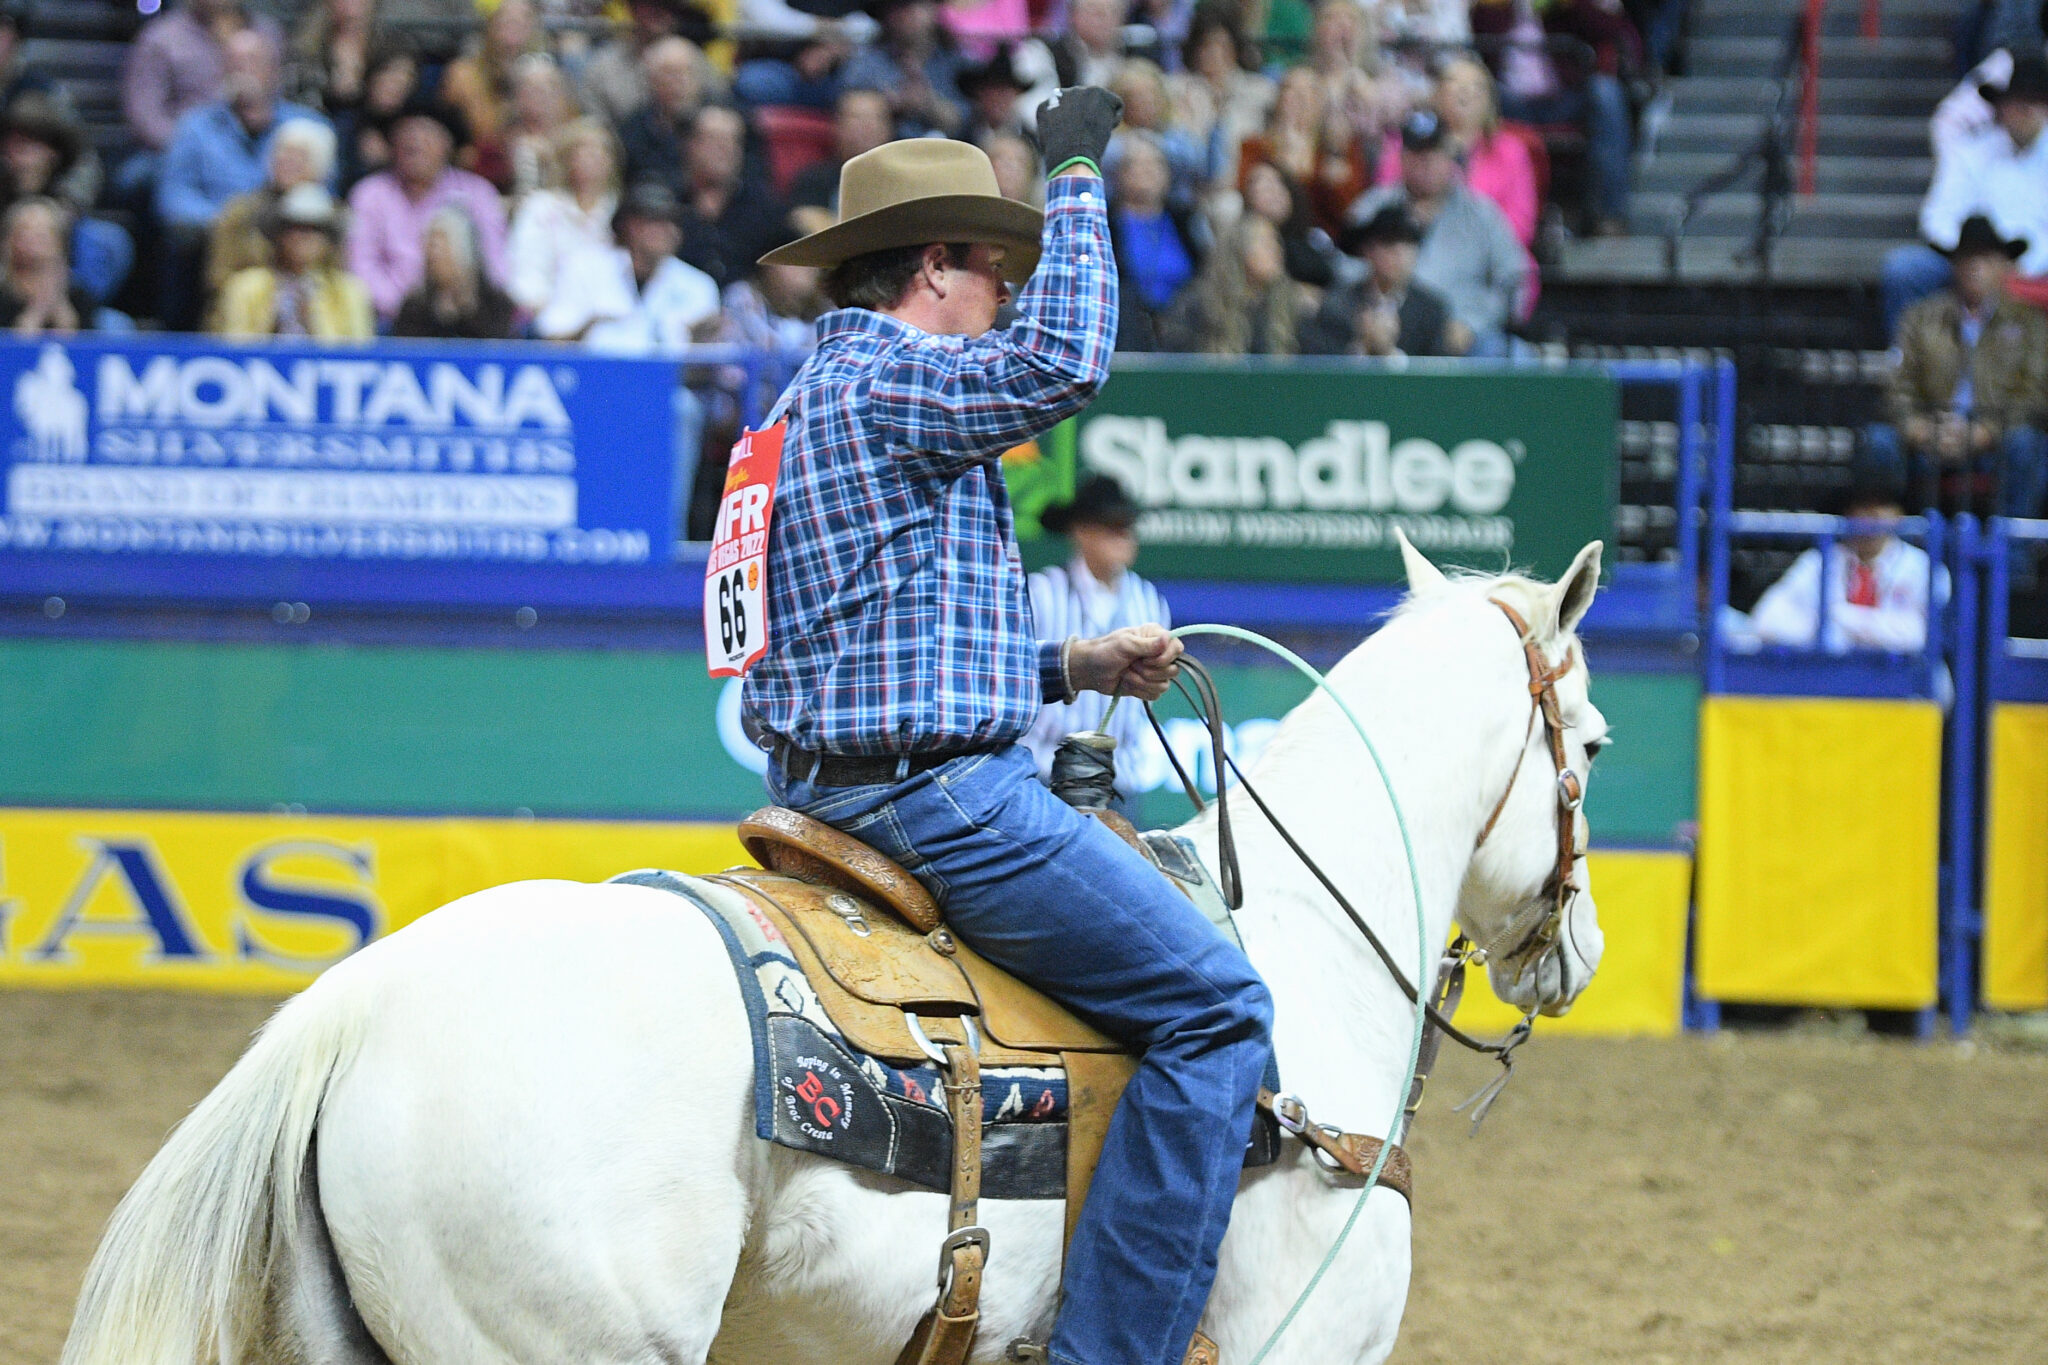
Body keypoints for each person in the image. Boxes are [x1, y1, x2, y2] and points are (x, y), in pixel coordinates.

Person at [743, 92, 1272, 1365]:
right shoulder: (898, 374)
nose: (1006, 289)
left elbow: (873, 646)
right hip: (931, 803)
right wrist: (1077, 167)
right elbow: (1068, 364)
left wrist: (1067, 662)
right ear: (935, 265)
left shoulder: (815, 394)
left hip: (825, 784)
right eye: (994, 264)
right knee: (1218, 1009)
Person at [1867, 215, 2048, 518]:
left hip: (1997, 445)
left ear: (2005, 266)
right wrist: (1921, 430)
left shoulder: (2029, 324)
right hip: (1931, 441)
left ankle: (2013, 554)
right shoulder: (1920, 317)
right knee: (1879, 443)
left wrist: (1985, 432)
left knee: (2027, 444)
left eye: (1986, 257)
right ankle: (1899, 549)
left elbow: (2035, 396)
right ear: (1954, 265)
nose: (1975, 266)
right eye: (1967, 257)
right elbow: (1897, 388)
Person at [156, 28, 329, 330]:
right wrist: (230, 221)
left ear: (274, 70)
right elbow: (173, 200)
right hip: (217, 243)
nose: (242, 69)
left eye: (252, 60)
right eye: (233, 62)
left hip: (296, 236)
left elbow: (326, 195)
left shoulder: (307, 125)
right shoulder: (194, 126)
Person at [1022, 473, 1172, 808]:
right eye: (1110, 525)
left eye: (1128, 526)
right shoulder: (1041, 593)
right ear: (1080, 530)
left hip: (1118, 784)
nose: (1123, 536)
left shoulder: (1148, 600)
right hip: (1043, 778)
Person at [1346, 109, 1530, 355]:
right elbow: (1344, 267)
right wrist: (1373, 311)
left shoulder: (1480, 213)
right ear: (1401, 158)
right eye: (1416, 152)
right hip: (1384, 326)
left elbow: (1512, 281)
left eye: (1433, 152)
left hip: (1460, 332)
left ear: (1450, 156)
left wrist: (1472, 322)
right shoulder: (1374, 206)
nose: (1425, 161)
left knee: (1507, 352)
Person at [1887, 55, 2048, 335]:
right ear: (2000, 107)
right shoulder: (1969, 153)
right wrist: (1973, 259)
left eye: (2034, 103)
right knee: (1905, 269)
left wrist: (2019, 266)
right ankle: (1906, 361)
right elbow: (1937, 217)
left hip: (2037, 268)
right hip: (1968, 261)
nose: (2025, 111)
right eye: (2017, 102)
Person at [1737, 467, 1947, 654]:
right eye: (1862, 505)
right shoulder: (1819, 561)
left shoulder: (1924, 567)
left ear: (1900, 514)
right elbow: (1766, 620)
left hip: (1906, 688)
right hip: (1834, 686)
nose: (1871, 515)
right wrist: (1857, 631)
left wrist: (1835, 617)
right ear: (1848, 512)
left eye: (1882, 505)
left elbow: (1919, 636)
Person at [346, 97, 509, 322]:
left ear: (448, 144)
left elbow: (495, 264)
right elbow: (361, 265)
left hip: (467, 315)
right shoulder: (370, 194)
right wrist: (407, 310)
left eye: (426, 133)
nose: (414, 141)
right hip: (387, 318)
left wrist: (467, 307)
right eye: (406, 132)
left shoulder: (478, 193)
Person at [536, 180, 721, 352]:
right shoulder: (585, 268)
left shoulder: (698, 285)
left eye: (671, 222)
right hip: (596, 380)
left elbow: (708, 363)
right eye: (653, 221)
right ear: (629, 226)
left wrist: (696, 339)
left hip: (670, 383)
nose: (664, 230)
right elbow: (551, 338)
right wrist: (589, 327)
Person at [122, 0, 282, 162]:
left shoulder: (267, 32)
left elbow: (280, 98)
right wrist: (195, 148)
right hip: (179, 152)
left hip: (260, 147)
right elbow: (145, 117)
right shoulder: (161, 38)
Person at [212, 183, 375, 338]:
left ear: (328, 239)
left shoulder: (347, 292)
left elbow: (358, 355)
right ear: (279, 234)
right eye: (295, 227)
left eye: (315, 229)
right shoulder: (246, 287)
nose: (304, 236)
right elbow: (234, 347)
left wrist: (314, 321)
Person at [205, 118, 335, 306]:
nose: (287, 161)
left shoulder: (331, 218)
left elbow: (335, 276)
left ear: (319, 167)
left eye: (300, 155)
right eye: (282, 152)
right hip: (248, 314)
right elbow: (217, 278)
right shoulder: (240, 212)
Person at [1303, 201, 1461, 355]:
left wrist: (1390, 353)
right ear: (1368, 251)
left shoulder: (1431, 310)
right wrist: (1361, 347)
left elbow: (1438, 371)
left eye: (1406, 244)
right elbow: (1322, 366)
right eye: (1387, 243)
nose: (1396, 254)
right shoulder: (1338, 304)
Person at [507, 118, 621, 315]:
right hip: (548, 314)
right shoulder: (540, 207)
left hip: (608, 317)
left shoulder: (621, 211)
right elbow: (526, 269)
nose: (592, 158)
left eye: (600, 151)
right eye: (583, 151)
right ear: (566, 158)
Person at [1108, 129, 1204, 348]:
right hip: (1123, 326)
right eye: (1135, 164)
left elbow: (1204, 272)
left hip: (1184, 324)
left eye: (1155, 164)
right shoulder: (1104, 222)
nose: (1146, 171)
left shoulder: (1185, 219)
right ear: (1118, 174)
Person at [1161, 210, 1308, 353]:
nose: (1276, 249)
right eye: (1265, 242)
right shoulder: (1199, 306)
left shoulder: (1291, 305)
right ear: (1238, 250)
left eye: (1276, 241)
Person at [674, 104, 788, 288]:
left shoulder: (764, 207)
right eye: (713, 139)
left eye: (732, 140)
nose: (724, 148)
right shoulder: (665, 202)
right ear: (690, 144)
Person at [440, 0, 547, 190]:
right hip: (473, 175)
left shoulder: (546, 76)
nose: (513, 32)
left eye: (522, 23)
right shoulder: (463, 74)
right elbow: (446, 131)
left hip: (533, 175)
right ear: (490, 27)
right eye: (506, 22)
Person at [839, 0, 969, 138]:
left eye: (915, 6)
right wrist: (885, 105)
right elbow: (846, 107)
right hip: (884, 150)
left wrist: (928, 104)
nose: (906, 15)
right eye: (897, 8)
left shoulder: (956, 63)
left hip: (948, 152)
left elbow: (967, 122)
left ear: (934, 9)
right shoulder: (865, 62)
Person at [390, 206, 519, 338]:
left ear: (463, 252)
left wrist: (465, 308)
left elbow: (500, 348)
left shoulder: (495, 305)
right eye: (429, 251)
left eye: (440, 250)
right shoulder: (415, 307)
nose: (432, 258)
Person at [618, 36, 708, 191]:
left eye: (688, 72)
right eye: (672, 74)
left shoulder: (716, 122)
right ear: (652, 80)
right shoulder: (633, 131)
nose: (681, 82)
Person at [0, 197, 99, 335]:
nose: (30, 242)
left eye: (40, 235)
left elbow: (90, 350)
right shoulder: (3, 296)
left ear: (60, 243)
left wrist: (66, 322)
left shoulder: (79, 296)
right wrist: (34, 315)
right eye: (23, 233)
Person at [789, 86, 895, 213]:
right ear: (838, 126)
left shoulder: (904, 179)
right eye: (857, 118)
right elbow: (804, 218)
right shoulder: (815, 180)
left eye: (877, 118)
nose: (868, 126)